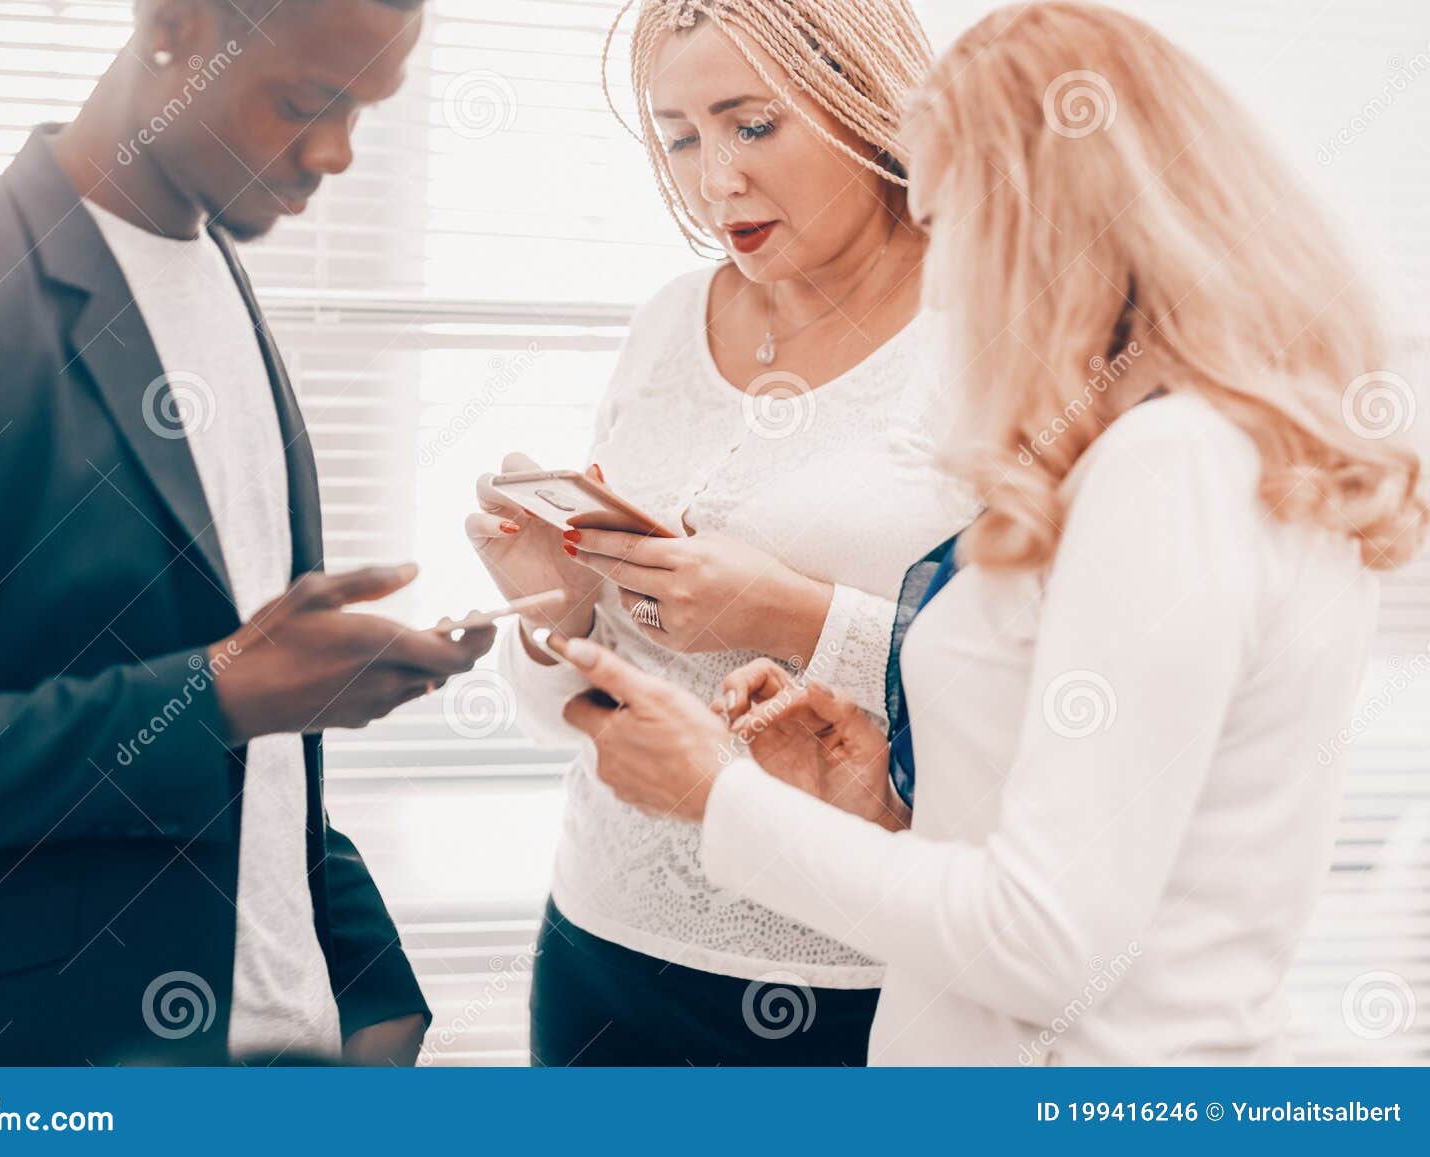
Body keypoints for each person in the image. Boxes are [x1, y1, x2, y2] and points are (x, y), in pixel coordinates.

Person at [546, 0, 1427, 1065]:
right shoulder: (1182, 449)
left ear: (1051, 222)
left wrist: (711, 792)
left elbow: (1046, 942)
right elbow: (1091, 854)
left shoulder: (1176, 467)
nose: (943, 275)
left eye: (951, 221)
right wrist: (872, 810)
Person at [0, 0, 495, 1067]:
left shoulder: (221, 269)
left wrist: (367, 982)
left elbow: (263, 742)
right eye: (302, 102)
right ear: (174, 24)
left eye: (363, 110)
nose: (334, 154)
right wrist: (218, 693)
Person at [465, 0, 973, 1066]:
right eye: (681, 136)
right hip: (601, 944)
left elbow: (1050, 696)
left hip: (854, 977)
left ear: (867, 108)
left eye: (751, 126)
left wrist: (785, 613)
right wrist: (552, 615)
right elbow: (592, 712)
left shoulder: (994, 337)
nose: (714, 181)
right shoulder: (667, 319)